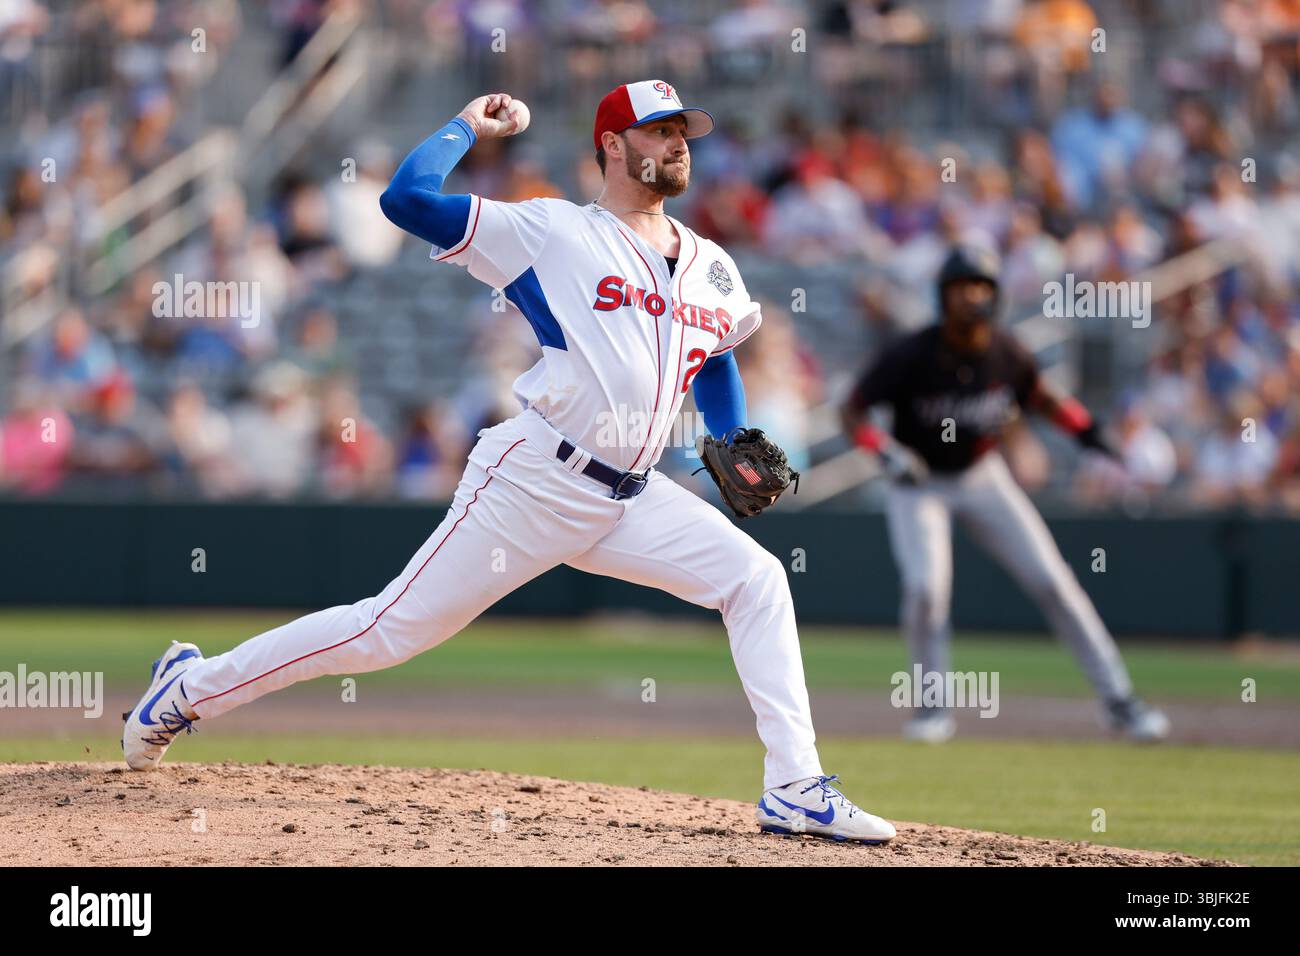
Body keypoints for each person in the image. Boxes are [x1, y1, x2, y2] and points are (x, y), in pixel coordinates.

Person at [121, 83, 895, 845]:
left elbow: (719, 356)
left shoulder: (712, 265)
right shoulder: (551, 230)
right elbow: (405, 201)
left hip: (630, 498)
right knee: (383, 633)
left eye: (682, 129)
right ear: (613, 146)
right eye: (659, 129)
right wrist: (465, 125)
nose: (678, 141)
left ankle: (794, 785)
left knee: (756, 580)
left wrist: (726, 438)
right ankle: (187, 691)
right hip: (534, 481)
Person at [840, 242, 1170, 744]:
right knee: (927, 589)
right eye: (961, 287)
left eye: (981, 286)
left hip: (982, 475)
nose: (972, 296)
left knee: (1055, 582)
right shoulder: (913, 353)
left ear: (994, 295)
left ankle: (1119, 699)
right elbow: (852, 410)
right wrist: (881, 451)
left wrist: (1088, 432)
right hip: (919, 481)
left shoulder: (1005, 352)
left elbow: (1043, 398)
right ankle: (931, 709)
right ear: (943, 295)